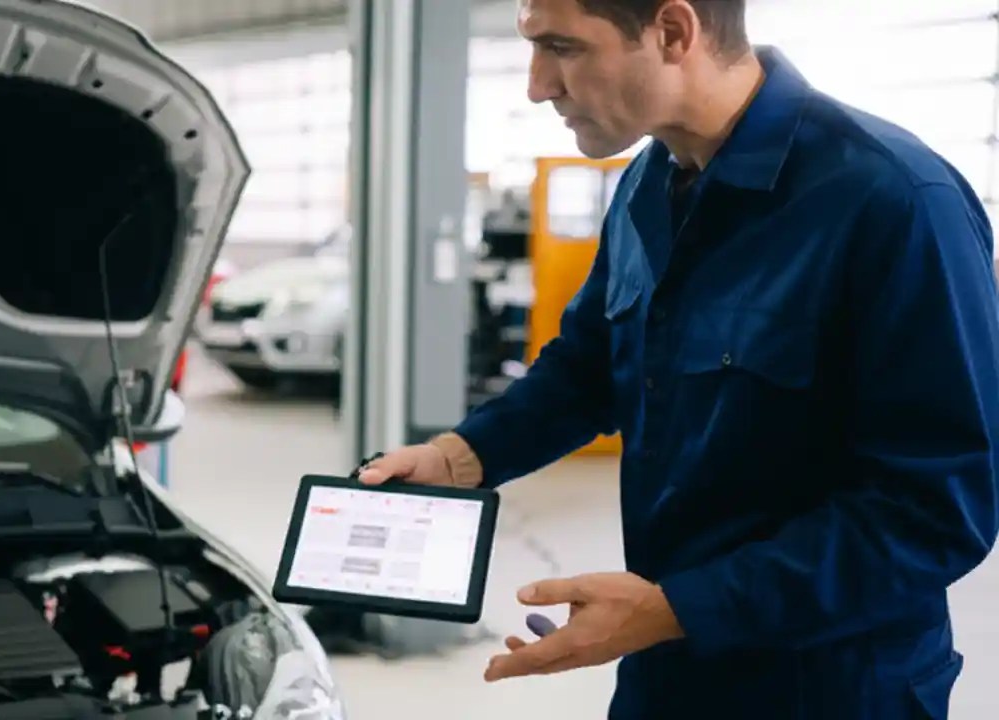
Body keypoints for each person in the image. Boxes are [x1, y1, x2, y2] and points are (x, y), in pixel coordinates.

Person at [357, 0, 999, 717]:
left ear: (673, 31)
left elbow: (934, 513)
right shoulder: (647, 185)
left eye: (562, 48)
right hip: (669, 673)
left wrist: (677, 608)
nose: (538, 85)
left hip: (835, 688)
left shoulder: (895, 202)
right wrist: (460, 457)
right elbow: (590, 367)